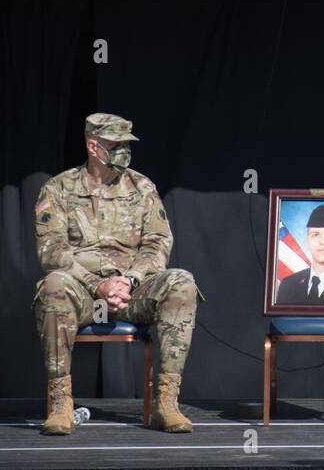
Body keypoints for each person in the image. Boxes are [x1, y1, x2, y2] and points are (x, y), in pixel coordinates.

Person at [32, 113, 199, 434]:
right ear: (93, 146)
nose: (124, 151)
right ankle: (60, 403)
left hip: (131, 292)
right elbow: (51, 250)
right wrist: (98, 285)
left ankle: (165, 402)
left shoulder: (142, 187)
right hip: (81, 293)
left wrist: (129, 280)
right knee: (53, 285)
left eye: (127, 145)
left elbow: (158, 243)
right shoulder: (58, 189)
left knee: (181, 281)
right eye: (116, 145)